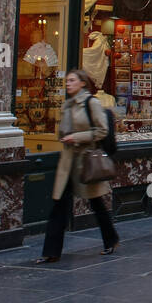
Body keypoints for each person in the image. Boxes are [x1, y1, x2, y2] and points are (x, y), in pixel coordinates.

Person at [37, 69, 119, 262]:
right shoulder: (66, 105)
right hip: (68, 163)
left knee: (97, 203)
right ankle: (51, 252)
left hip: (86, 161)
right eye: (67, 81)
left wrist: (77, 137)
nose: (68, 84)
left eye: (72, 80)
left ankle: (111, 239)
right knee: (58, 206)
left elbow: (102, 131)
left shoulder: (92, 103)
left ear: (83, 83)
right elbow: (62, 132)